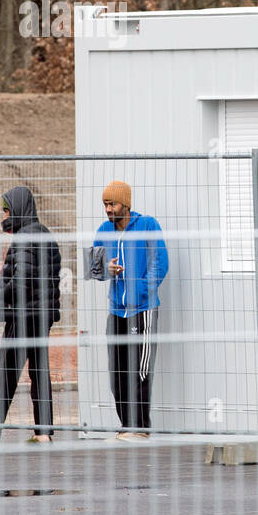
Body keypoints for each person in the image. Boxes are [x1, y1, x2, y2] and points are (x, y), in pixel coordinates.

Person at [0, 186, 61, 444]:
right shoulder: (44, 234)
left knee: (3, 372)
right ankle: (44, 433)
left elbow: (23, 278)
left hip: (23, 315)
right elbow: (36, 271)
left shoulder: (24, 237)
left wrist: (5, 295)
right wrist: (5, 268)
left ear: (17, 209)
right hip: (43, 314)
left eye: (6, 210)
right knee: (40, 372)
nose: (4, 216)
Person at [92, 181, 169, 440]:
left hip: (143, 310)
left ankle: (140, 428)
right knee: (117, 370)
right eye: (105, 205)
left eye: (112, 204)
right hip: (116, 311)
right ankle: (126, 426)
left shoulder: (148, 225)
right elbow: (94, 268)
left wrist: (141, 291)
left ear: (126, 203)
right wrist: (106, 270)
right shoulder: (103, 230)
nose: (108, 210)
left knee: (140, 369)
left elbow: (160, 262)